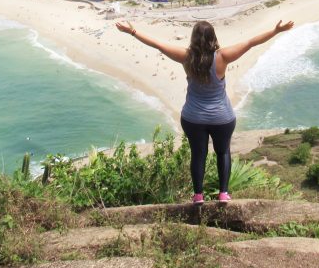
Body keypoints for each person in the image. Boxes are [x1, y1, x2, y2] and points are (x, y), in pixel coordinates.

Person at [116, 19, 294, 204]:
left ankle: (198, 195)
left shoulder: (186, 57)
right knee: (223, 152)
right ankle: (223, 194)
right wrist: (276, 31)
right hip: (222, 118)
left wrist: (132, 31)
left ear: (193, 38)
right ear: (213, 37)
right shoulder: (223, 56)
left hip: (193, 118)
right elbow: (251, 42)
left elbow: (158, 44)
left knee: (198, 154)